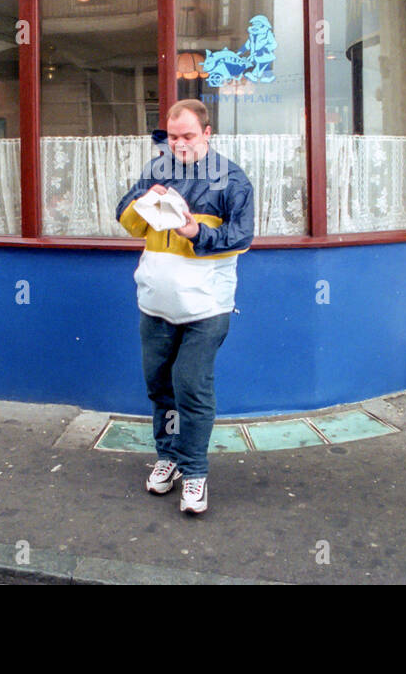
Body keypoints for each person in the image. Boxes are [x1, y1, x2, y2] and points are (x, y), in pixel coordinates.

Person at [115, 99, 254, 515]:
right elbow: (123, 215)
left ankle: (195, 473)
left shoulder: (232, 180)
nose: (179, 144)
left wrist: (196, 231)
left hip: (206, 308)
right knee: (161, 387)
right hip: (155, 303)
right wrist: (143, 203)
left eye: (188, 136)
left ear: (207, 133)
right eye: (173, 137)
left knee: (191, 388)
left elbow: (243, 237)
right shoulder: (156, 169)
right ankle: (169, 458)